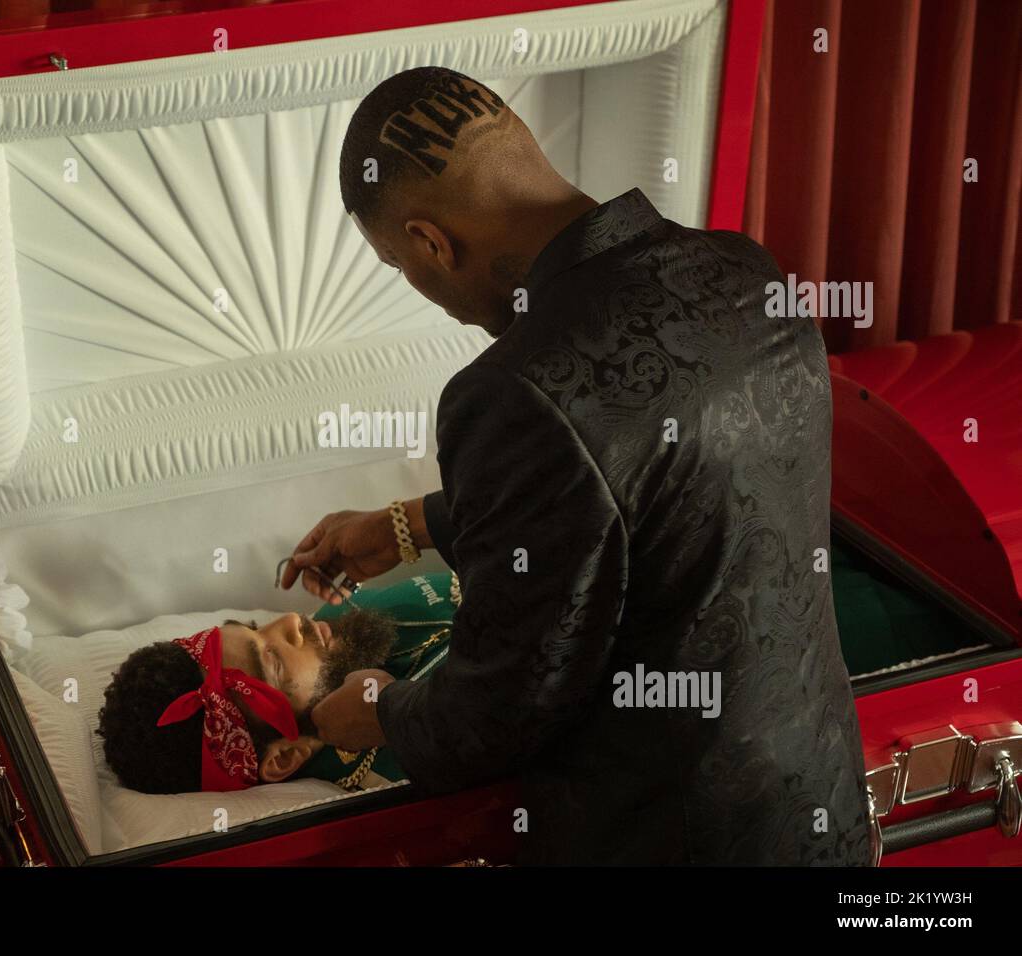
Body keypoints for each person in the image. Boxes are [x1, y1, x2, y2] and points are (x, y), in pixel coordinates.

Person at [280, 66, 871, 865]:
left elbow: (501, 710)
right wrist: (408, 524)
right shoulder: (746, 271)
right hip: (824, 802)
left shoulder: (511, 391)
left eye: (397, 264)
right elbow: (653, 491)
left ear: (429, 241)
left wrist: (382, 710)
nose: (417, 283)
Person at [96, 573, 459, 794]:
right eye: (272, 660)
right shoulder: (409, 770)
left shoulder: (341, 621)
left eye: (254, 628)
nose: (290, 620)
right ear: (285, 756)